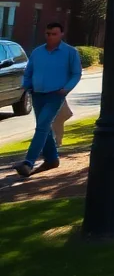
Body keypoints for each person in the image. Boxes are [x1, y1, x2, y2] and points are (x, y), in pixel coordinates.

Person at [11, 20, 81, 177]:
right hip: (37, 94)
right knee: (45, 127)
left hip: (56, 95)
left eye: (54, 34)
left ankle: (28, 162)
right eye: (48, 34)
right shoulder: (37, 52)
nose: (50, 37)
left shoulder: (70, 52)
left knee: (42, 126)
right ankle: (52, 159)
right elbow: (29, 71)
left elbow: (76, 73)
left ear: (61, 34)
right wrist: (26, 85)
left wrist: (66, 88)